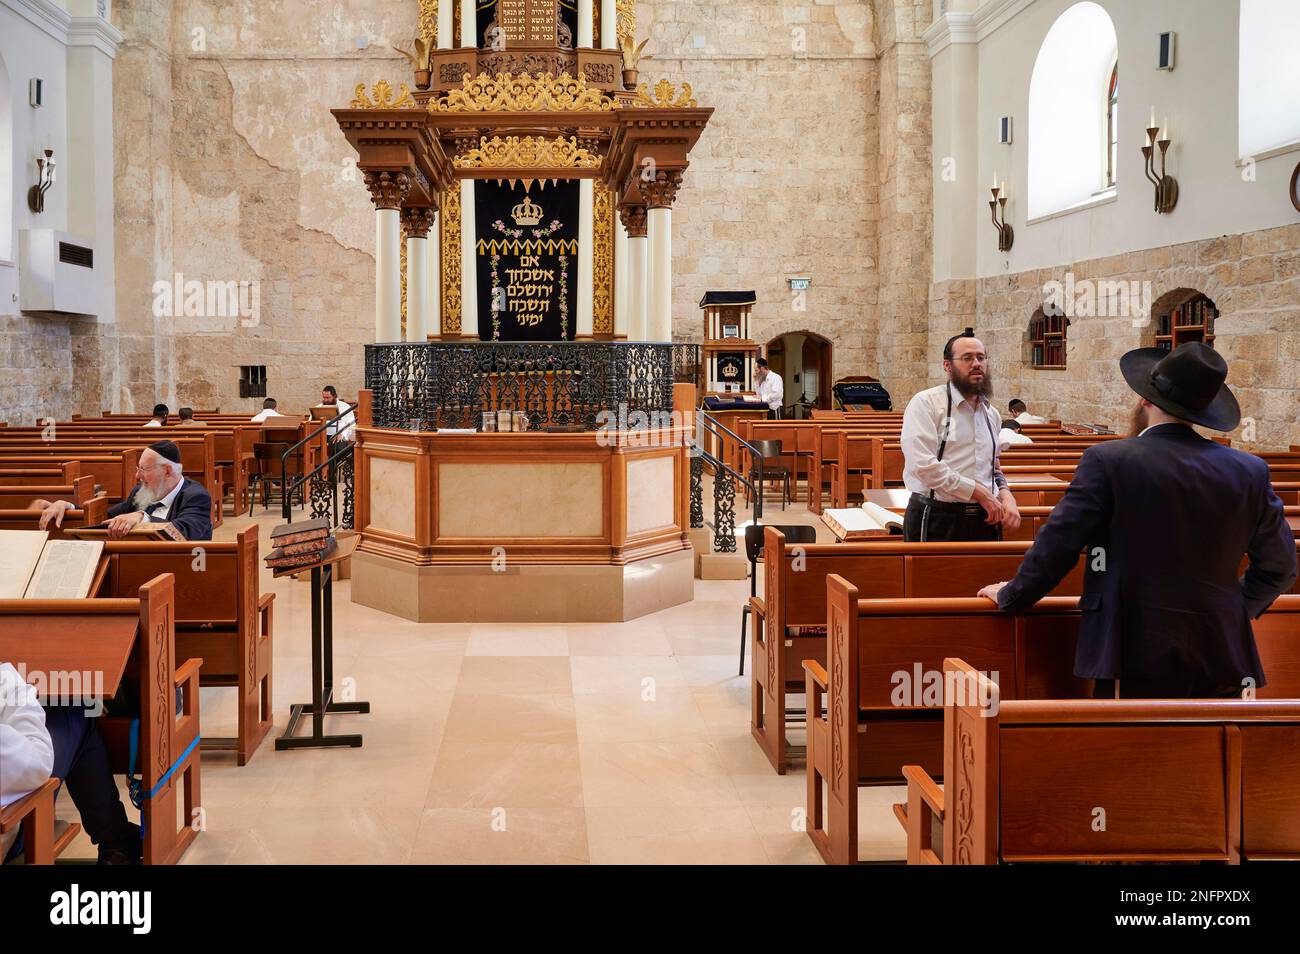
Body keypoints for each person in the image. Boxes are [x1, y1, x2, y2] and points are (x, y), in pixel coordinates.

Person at [978, 342, 1297, 698]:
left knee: (1132, 753)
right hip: (1222, 654)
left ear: (1145, 399)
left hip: (1130, 650)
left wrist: (1011, 595)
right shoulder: (1249, 471)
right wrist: (1232, 611)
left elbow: (1058, 546)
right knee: (1212, 752)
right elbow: (1280, 567)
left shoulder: (1108, 461)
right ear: (1204, 412)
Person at [900, 333, 1020, 541]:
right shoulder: (927, 404)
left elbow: (993, 466)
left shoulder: (991, 414)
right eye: (967, 358)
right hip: (937, 516)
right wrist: (979, 493)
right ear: (948, 365)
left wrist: (1006, 495)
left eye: (981, 358)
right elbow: (923, 466)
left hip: (986, 517)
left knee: (988, 575)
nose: (976, 364)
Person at [33, 440, 213, 540]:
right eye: (138, 469)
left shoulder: (196, 496)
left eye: (144, 470)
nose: (137, 476)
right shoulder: (140, 493)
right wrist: (68, 506)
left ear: (166, 471)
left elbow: (184, 531)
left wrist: (142, 517)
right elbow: (105, 516)